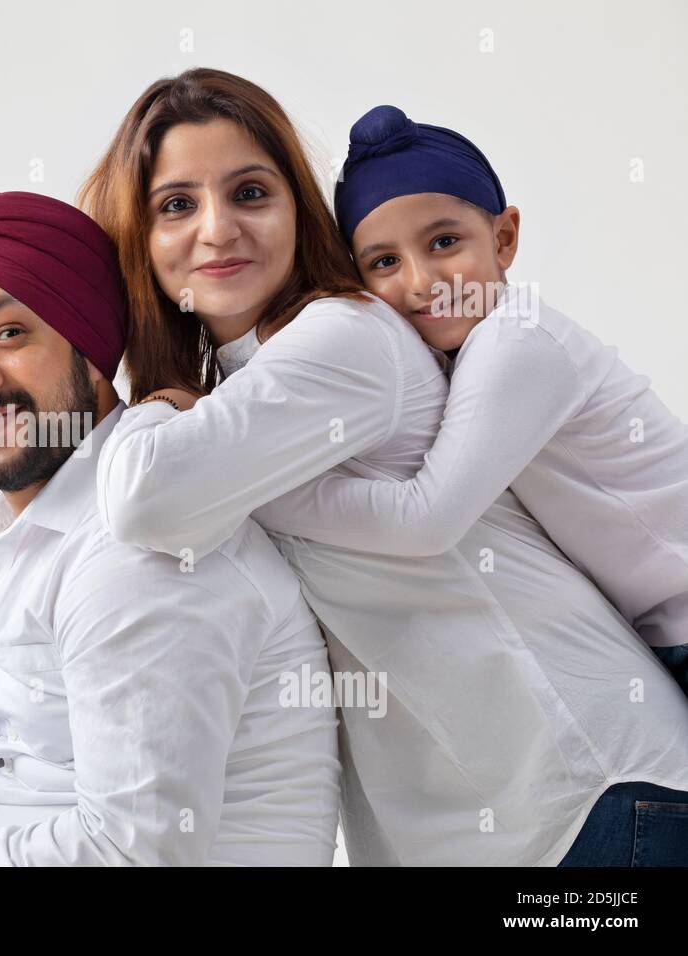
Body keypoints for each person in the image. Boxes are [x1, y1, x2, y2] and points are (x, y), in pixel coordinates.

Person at [81, 67, 688, 865]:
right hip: (499, 828)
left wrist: (150, 408)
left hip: (591, 796)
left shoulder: (345, 337)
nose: (219, 229)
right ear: (142, 237)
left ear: (301, 212)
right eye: (177, 205)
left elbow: (145, 502)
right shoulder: (242, 386)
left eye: (251, 193)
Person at [0, 190, 342, 865]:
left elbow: (133, 852)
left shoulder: (137, 549)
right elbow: (5, 776)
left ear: (90, 342)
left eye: (9, 334)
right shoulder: (24, 531)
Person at [271, 103, 688, 695]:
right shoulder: (463, 353)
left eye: (444, 241)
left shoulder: (517, 339)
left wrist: (254, 493)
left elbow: (426, 520)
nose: (422, 280)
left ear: (504, 237)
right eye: (384, 261)